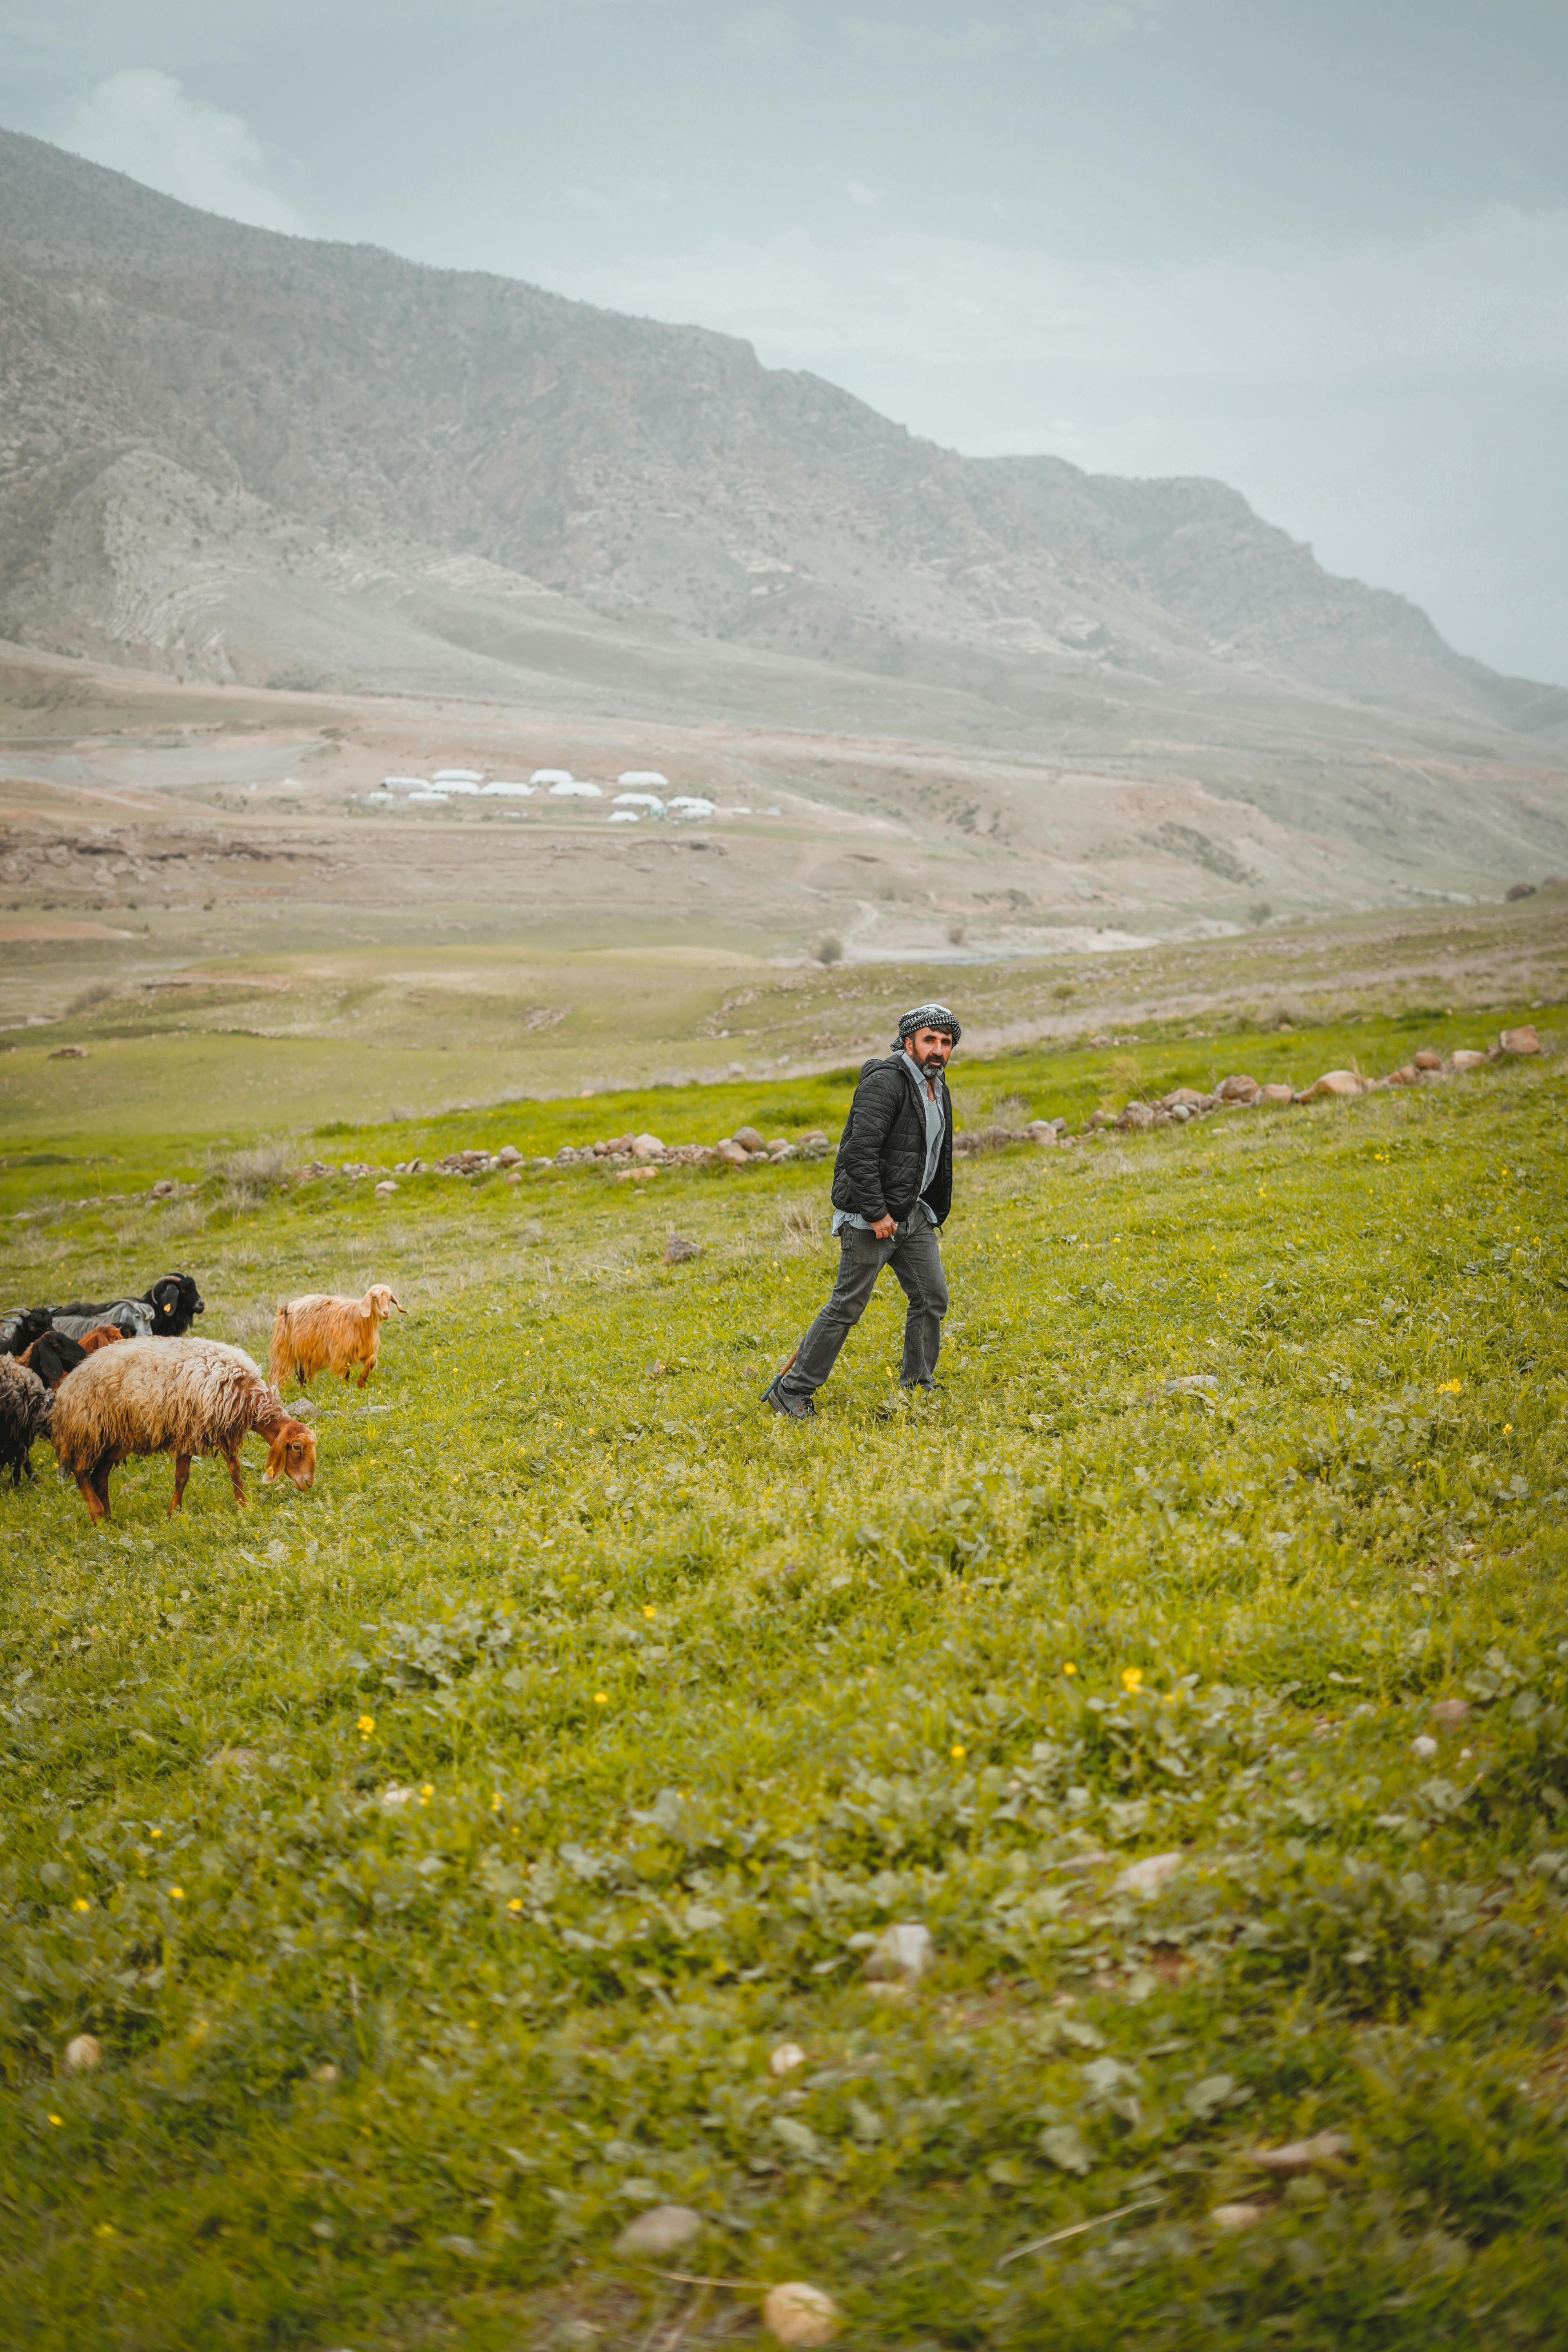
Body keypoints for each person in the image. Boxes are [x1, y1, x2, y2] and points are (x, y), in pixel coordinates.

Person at [762, 1003, 959, 1419]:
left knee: (931, 1298)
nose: (938, 1050)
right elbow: (858, 1153)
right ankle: (792, 1392)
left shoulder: (939, 1088)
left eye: (945, 1042)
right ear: (909, 1042)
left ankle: (918, 1383)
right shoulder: (884, 1083)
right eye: (929, 1041)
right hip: (872, 1218)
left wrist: (927, 1208)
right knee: (847, 1305)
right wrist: (876, 1213)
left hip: (913, 1215)